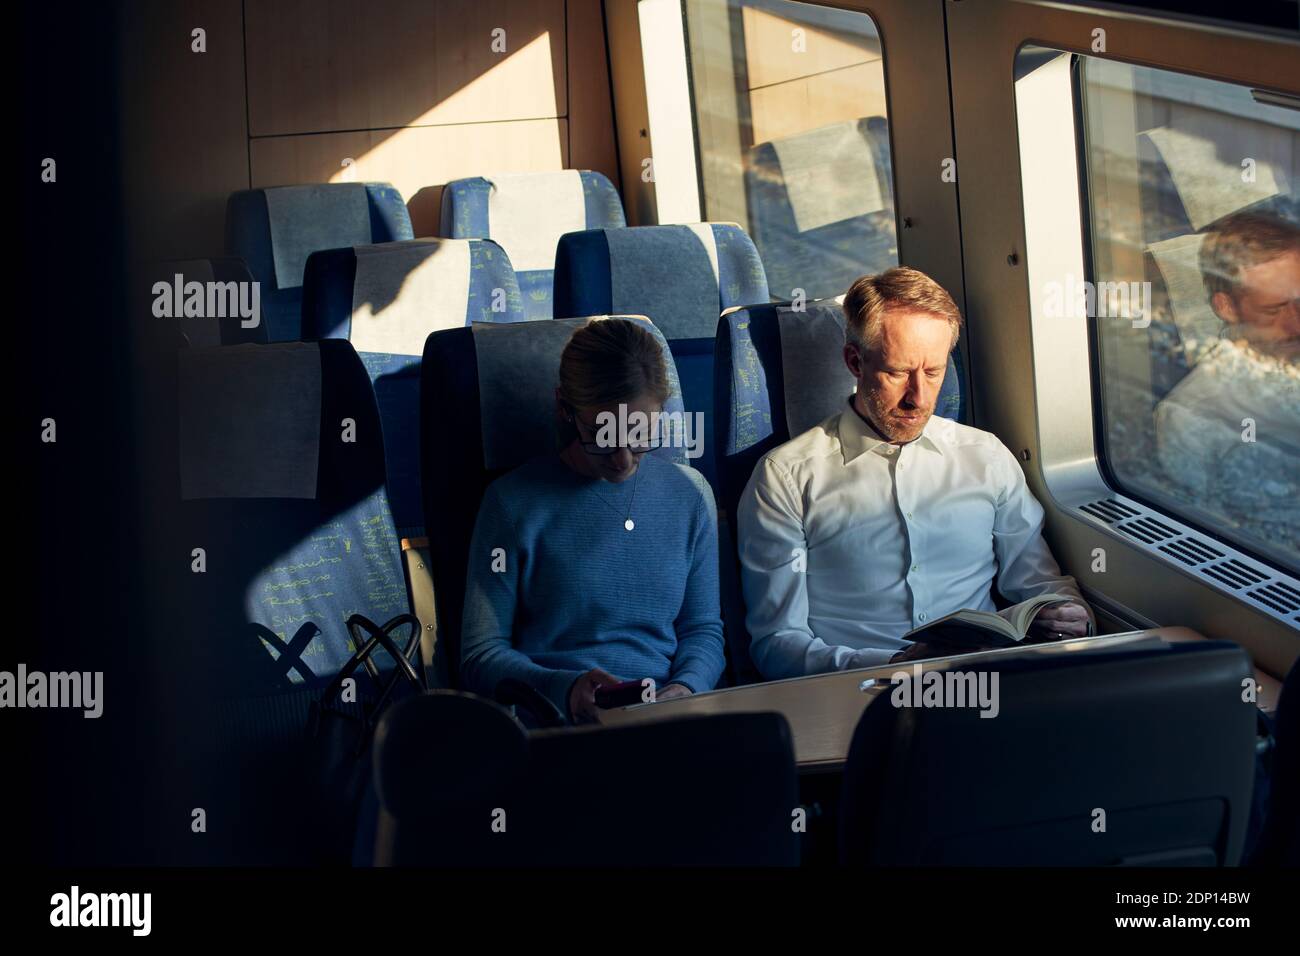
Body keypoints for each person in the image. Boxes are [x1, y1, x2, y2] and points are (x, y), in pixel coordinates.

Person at [736, 266, 1092, 679]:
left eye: (933, 372)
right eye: (898, 373)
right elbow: (777, 645)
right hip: (857, 688)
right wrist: (891, 665)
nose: (919, 398)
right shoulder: (786, 477)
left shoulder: (985, 456)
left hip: (982, 684)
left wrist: (1067, 612)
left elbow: (1037, 583)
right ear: (855, 361)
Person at [460, 317, 725, 723]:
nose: (621, 459)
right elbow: (480, 655)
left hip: (667, 718)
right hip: (555, 720)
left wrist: (684, 689)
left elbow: (703, 631)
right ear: (565, 409)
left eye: (638, 434)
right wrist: (563, 688)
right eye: (602, 435)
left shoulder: (691, 496)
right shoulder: (511, 504)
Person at [1154, 211, 1299, 544]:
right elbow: (1203, 542)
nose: (1295, 324)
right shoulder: (1192, 416)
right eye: (1273, 310)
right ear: (1227, 307)